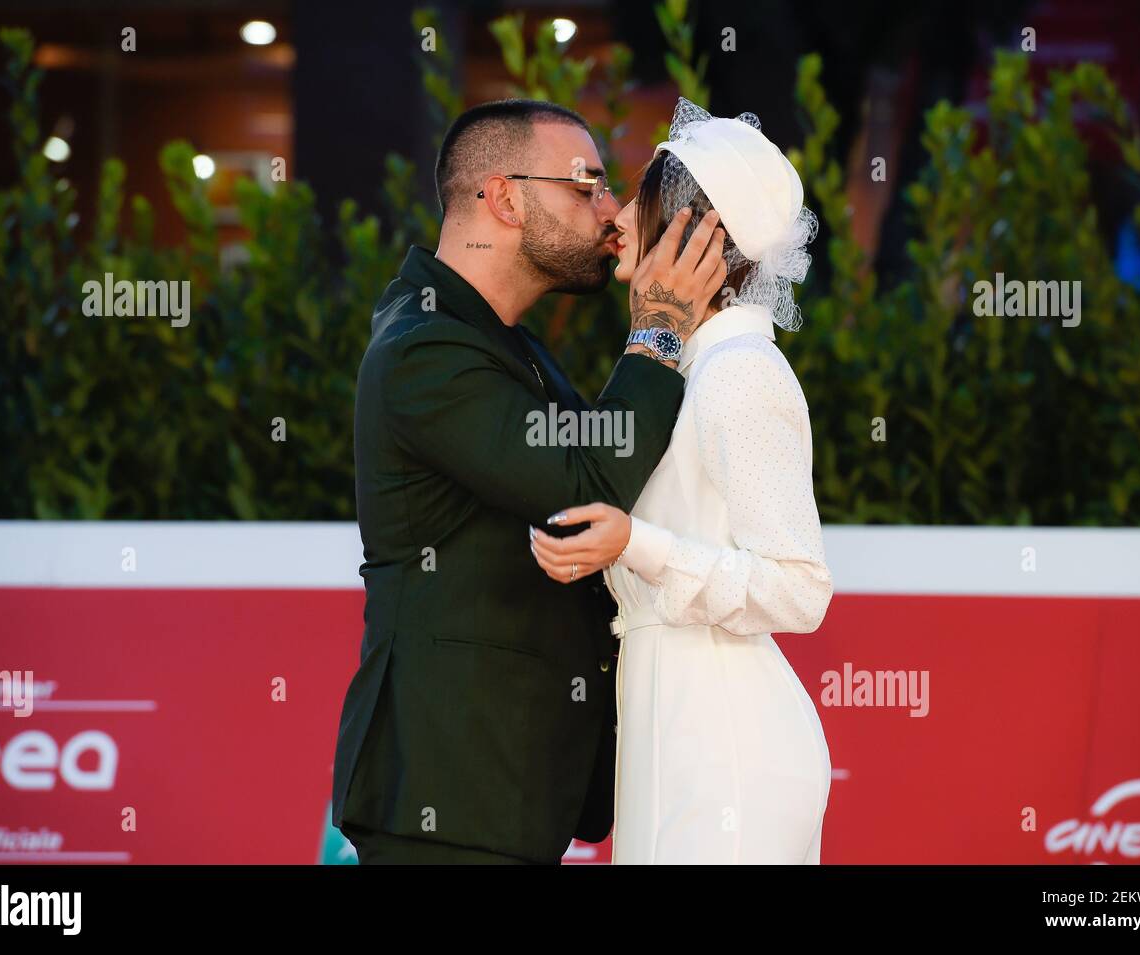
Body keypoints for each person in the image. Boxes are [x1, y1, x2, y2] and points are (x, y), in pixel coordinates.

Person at [332, 98, 727, 864]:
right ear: (505, 197)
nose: (611, 212)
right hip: (447, 799)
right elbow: (587, 482)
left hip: (499, 794)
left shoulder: (500, 345)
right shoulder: (423, 350)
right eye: (587, 187)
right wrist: (658, 327)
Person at [530, 98, 835, 864]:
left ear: (698, 232)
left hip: (726, 745)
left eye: (643, 198)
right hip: (673, 724)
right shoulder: (691, 370)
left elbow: (801, 589)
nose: (620, 217)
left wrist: (642, 543)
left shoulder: (739, 374)